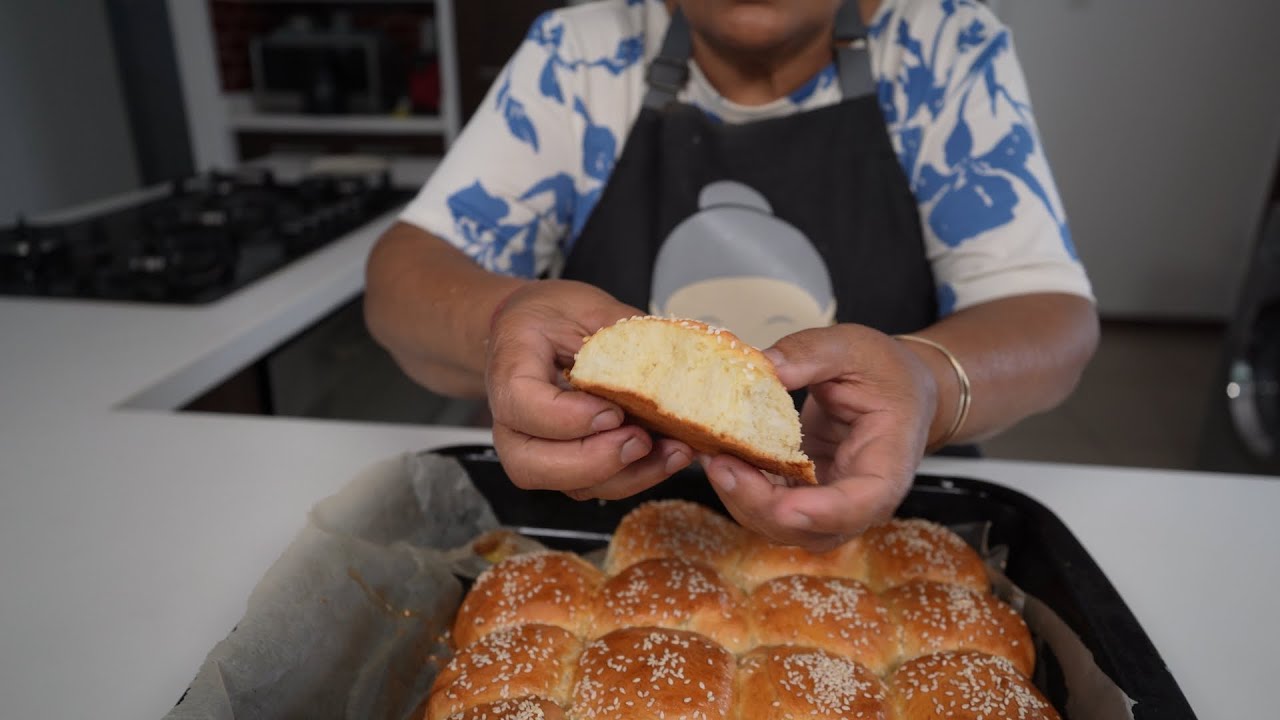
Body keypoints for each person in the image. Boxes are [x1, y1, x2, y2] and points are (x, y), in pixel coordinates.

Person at [364, 0, 1099, 551]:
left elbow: (1049, 316)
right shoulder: (583, 52)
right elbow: (403, 277)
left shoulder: (943, 46)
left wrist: (929, 381)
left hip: (893, 524)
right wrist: (507, 322)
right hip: (596, 532)